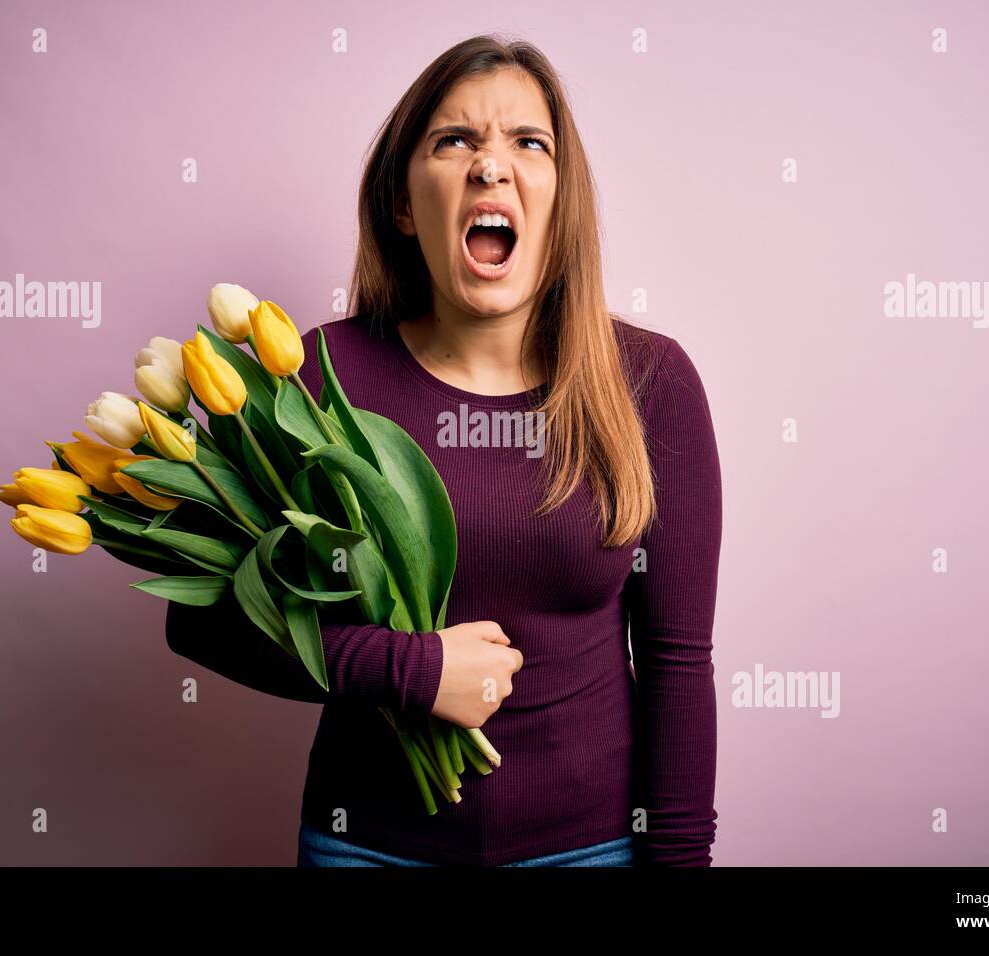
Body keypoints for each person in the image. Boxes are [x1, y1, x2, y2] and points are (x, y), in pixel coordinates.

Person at [165, 34, 723, 867]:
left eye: (527, 143)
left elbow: (679, 665)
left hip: (593, 850)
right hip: (369, 851)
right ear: (402, 203)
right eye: (453, 140)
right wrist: (407, 669)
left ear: (561, 198)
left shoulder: (651, 383)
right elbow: (202, 621)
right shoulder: (311, 381)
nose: (490, 166)